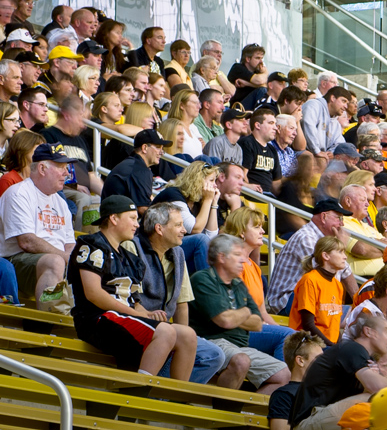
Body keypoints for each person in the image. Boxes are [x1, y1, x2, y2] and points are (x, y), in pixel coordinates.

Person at [68, 194, 195, 378]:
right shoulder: (91, 244)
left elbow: (133, 300)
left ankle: (176, 401)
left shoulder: (130, 258)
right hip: (96, 319)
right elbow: (93, 294)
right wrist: (138, 315)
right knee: (165, 332)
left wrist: (147, 313)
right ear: (114, 218)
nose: (138, 224)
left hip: (122, 318)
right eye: (133, 218)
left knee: (187, 336)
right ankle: (138, 391)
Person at [191, 233, 293, 392]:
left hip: (240, 345)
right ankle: (222, 414)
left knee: (283, 374)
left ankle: (245, 414)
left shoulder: (238, 284)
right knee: (241, 361)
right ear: (222, 257)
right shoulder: (203, 279)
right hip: (212, 341)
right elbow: (224, 321)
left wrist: (234, 314)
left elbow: (257, 324)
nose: (243, 260)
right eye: (237, 255)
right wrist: (245, 312)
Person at [292, 306, 387, 430]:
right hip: (307, 426)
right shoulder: (353, 348)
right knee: (380, 399)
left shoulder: (363, 359)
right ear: (368, 331)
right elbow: (375, 387)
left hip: (317, 426)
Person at [0, 144, 80, 310]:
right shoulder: (19, 193)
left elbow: (69, 243)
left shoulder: (60, 202)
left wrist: (75, 261)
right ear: (42, 168)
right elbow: (27, 241)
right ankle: (45, 322)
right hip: (16, 261)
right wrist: (66, 258)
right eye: (61, 168)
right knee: (55, 262)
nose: (67, 173)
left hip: (53, 263)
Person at [101, 129, 167, 208]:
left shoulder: (134, 164)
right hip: (117, 217)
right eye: (158, 147)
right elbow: (143, 208)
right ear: (144, 148)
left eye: (162, 148)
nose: (161, 152)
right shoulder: (138, 169)